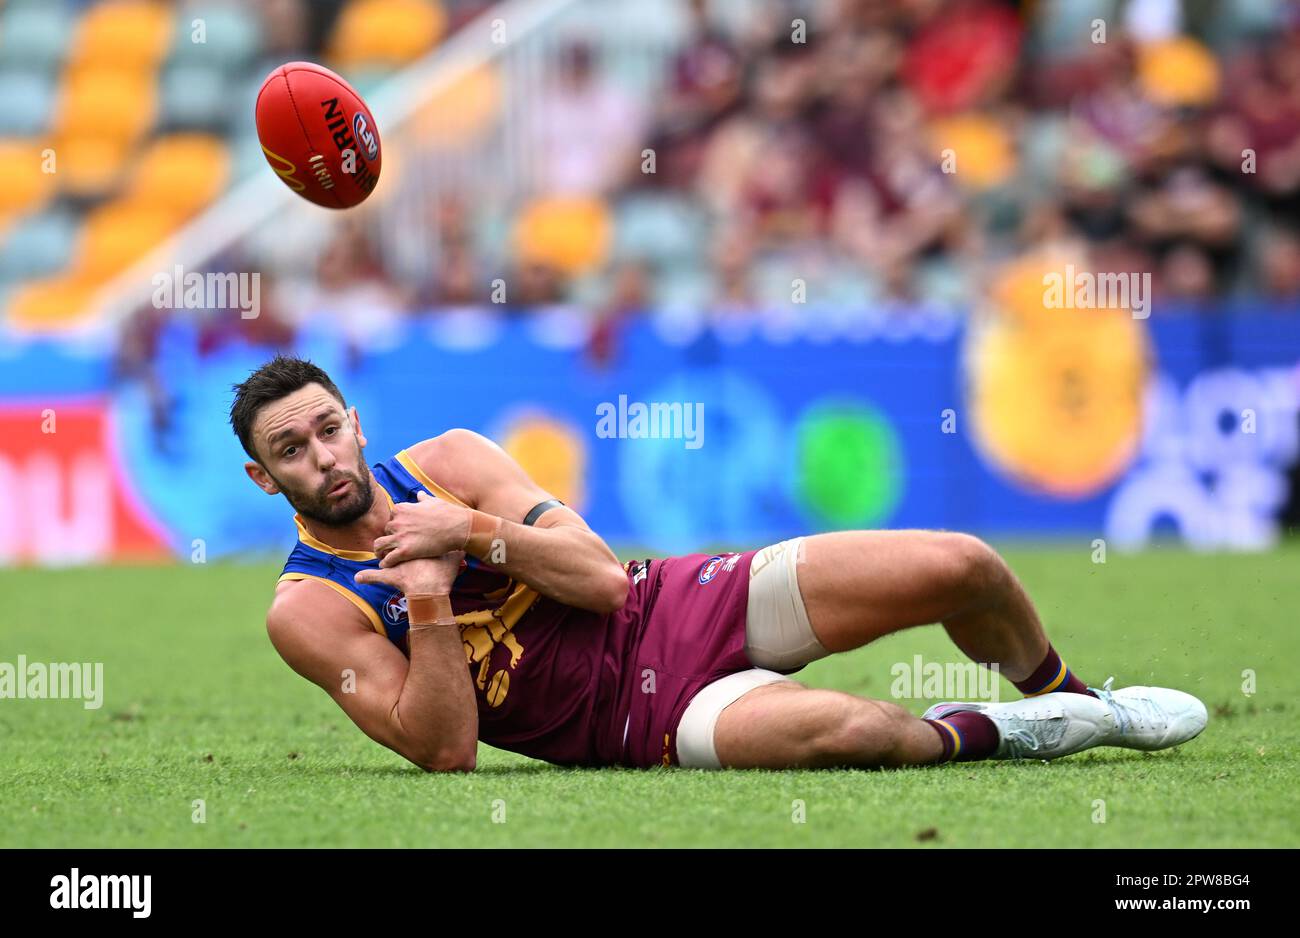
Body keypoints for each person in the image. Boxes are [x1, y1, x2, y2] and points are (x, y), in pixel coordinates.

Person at [230, 355, 1207, 772]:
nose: (323, 459)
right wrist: (433, 600)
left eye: (327, 428)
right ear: (264, 478)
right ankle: (1009, 730)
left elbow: (603, 578)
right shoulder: (306, 608)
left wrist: (470, 535)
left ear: (355, 422)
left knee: (964, 562)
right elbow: (443, 750)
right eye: (292, 451)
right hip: (637, 721)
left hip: (673, 606)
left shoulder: (445, 461)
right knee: (853, 731)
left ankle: (1081, 701)